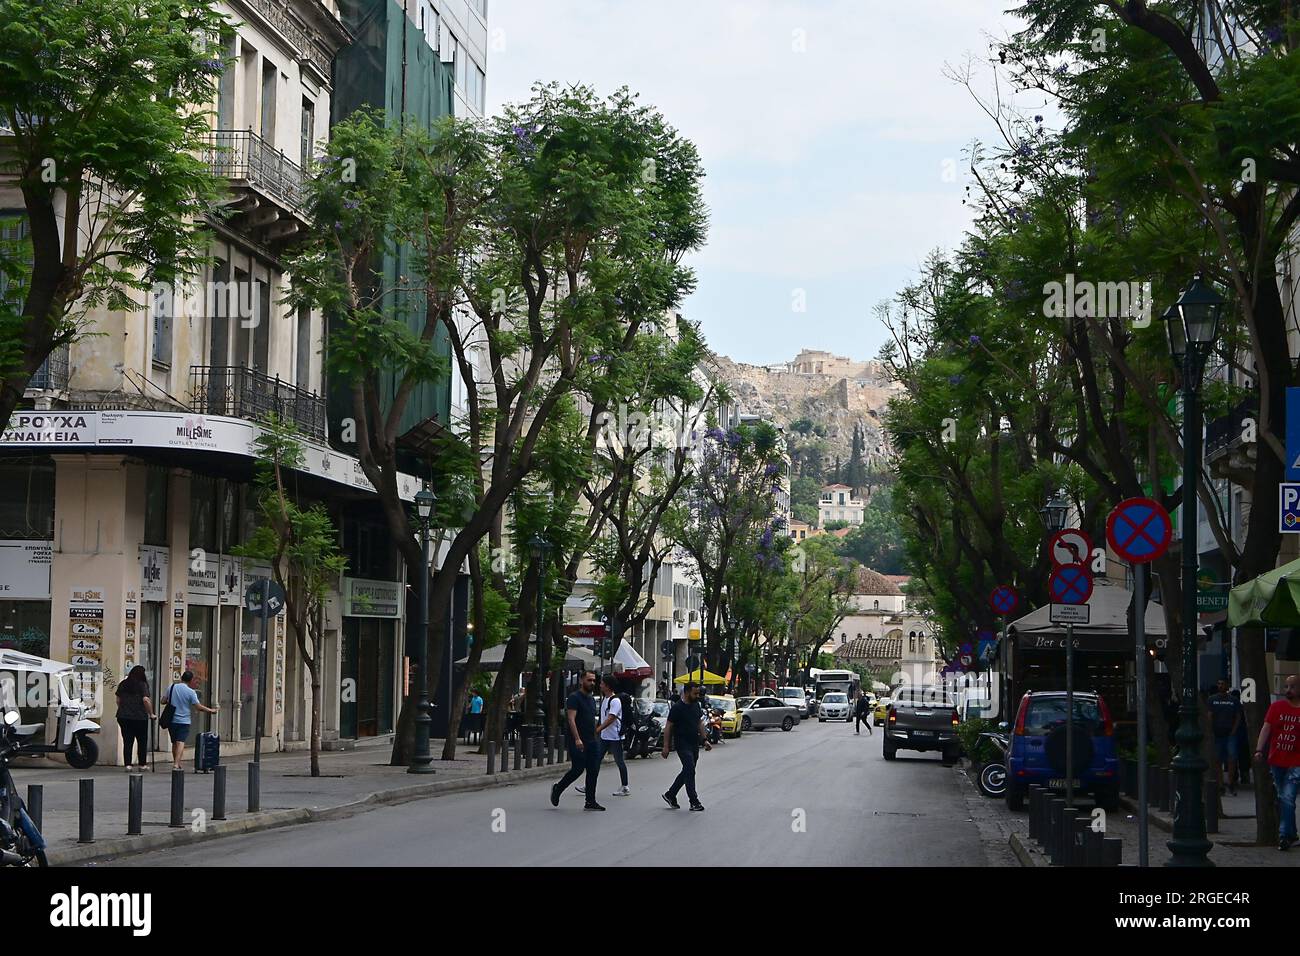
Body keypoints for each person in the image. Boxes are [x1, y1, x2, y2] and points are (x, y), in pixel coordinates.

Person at [1254, 673, 1300, 851]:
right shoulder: (1277, 707)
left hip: (1296, 762)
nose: (1288, 690)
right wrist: (1259, 750)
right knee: (1284, 798)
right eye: (1286, 686)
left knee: (1287, 797)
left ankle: (1283, 836)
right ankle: (1292, 833)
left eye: (1293, 686)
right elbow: (1266, 728)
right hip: (1277, 760)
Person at [550, 670, 604, 810]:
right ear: (581, 681)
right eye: (589, 680)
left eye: (593, 680)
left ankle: (590, 801)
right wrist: (577, 739)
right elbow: (571, 719)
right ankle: (558, 788)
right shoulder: (575, 697)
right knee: (578, 769)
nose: (592, 683)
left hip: (592, 740)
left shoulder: (592, 699)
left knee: (593, 770)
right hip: (578, 740)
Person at [661, 681, 711, 811]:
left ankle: (670, 794)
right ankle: (694, 801)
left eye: (698, 693)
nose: (697, 696)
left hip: (694, 743)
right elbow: (668, 726)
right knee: (690, 769)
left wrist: (705, 739)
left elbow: (699, 723)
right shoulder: (677, 708)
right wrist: (665, 746)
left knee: (688, 771)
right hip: (682, 744)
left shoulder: (696, 706)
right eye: (695, 693)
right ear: (687, 692)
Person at [162, 671, 218, 771]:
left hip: (172, 720)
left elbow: (163, 701)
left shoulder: (172, 687)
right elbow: (198, 707)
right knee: (181, 742)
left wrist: (171, 700)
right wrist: (211, 710)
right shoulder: (191, 692)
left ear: (181, 678)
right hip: (184, 721)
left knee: (174, 742)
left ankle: (177, 762)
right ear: (191, 680)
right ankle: (176, 763)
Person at [584, 674, 629, 797]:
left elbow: (611, 718)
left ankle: (625, 786)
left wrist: (598, 729)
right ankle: (589, 784)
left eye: (602, 683)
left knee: (619, 761)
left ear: (608, 686)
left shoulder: (615, 701)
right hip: (605, 736)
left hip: (614, 736)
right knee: (596, 760)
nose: (600, 685)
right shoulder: (605, 699)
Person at [114, 665, 154, 772]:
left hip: (123, 716)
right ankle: (142, 764)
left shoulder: (123, 683)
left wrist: (124, 708)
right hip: (139, 717)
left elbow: (118, 700)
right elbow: (146, 700)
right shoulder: (142, 685)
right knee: (142, 741)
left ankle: (128, 765)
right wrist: (151, 714)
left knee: (127, 741)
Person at [1208, 679, 1243, 796]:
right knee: (1218, 760)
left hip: (1230, 734)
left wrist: (1233, 730)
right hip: (1217, 734)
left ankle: (1230, 782)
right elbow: (1210, 716)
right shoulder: (1212, 699)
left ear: (1227, 686)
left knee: (1232, 758)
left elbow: (1238, 716)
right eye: (1218, 683)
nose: (1220, 686)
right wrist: (1211, 730)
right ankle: (1221, 784)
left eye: (1222, 683)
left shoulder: (1234, 700)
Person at [1232, 689, 1252, 786]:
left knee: (1234, 757)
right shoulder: (1243, 708)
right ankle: (1244, 776)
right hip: (1243, 737)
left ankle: (1235, 777)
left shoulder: (1232, 708)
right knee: (1243, 758)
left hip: (1235, 736)